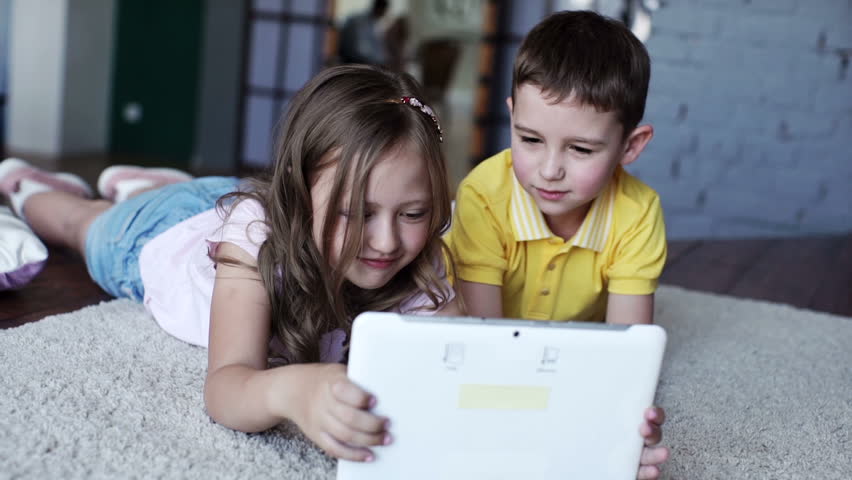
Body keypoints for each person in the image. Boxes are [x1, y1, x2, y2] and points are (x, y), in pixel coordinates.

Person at [0, 64, 458, 462]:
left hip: (228, 197)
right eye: (356, 212)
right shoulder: (256, 239)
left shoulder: (423, 263)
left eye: (413, 213)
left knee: (190, 198)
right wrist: (291, 391)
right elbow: (225, 388)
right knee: (83, 225)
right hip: (160, 233)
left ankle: (142, 184)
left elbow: (453, 367)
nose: (386, 241)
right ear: (299, 194)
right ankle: (23, 186)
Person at [444, 11, 669, 479]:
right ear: (511, 117)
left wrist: (616, 424)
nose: (549, 169)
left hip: (570, 353)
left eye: (580, 149)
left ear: (631, 146)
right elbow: (484, 341)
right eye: (529, 139)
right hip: (488, 336)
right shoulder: (483, 195)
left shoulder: (638, 212)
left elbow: (624, 354)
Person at [338, 0, 389, 66]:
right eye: (384, 11)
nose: (384, 15)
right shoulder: (360, 20)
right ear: (380, 9)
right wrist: (377, 61)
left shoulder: (372, 23)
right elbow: (359, 48)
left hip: (359, 59)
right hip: (353, 60)